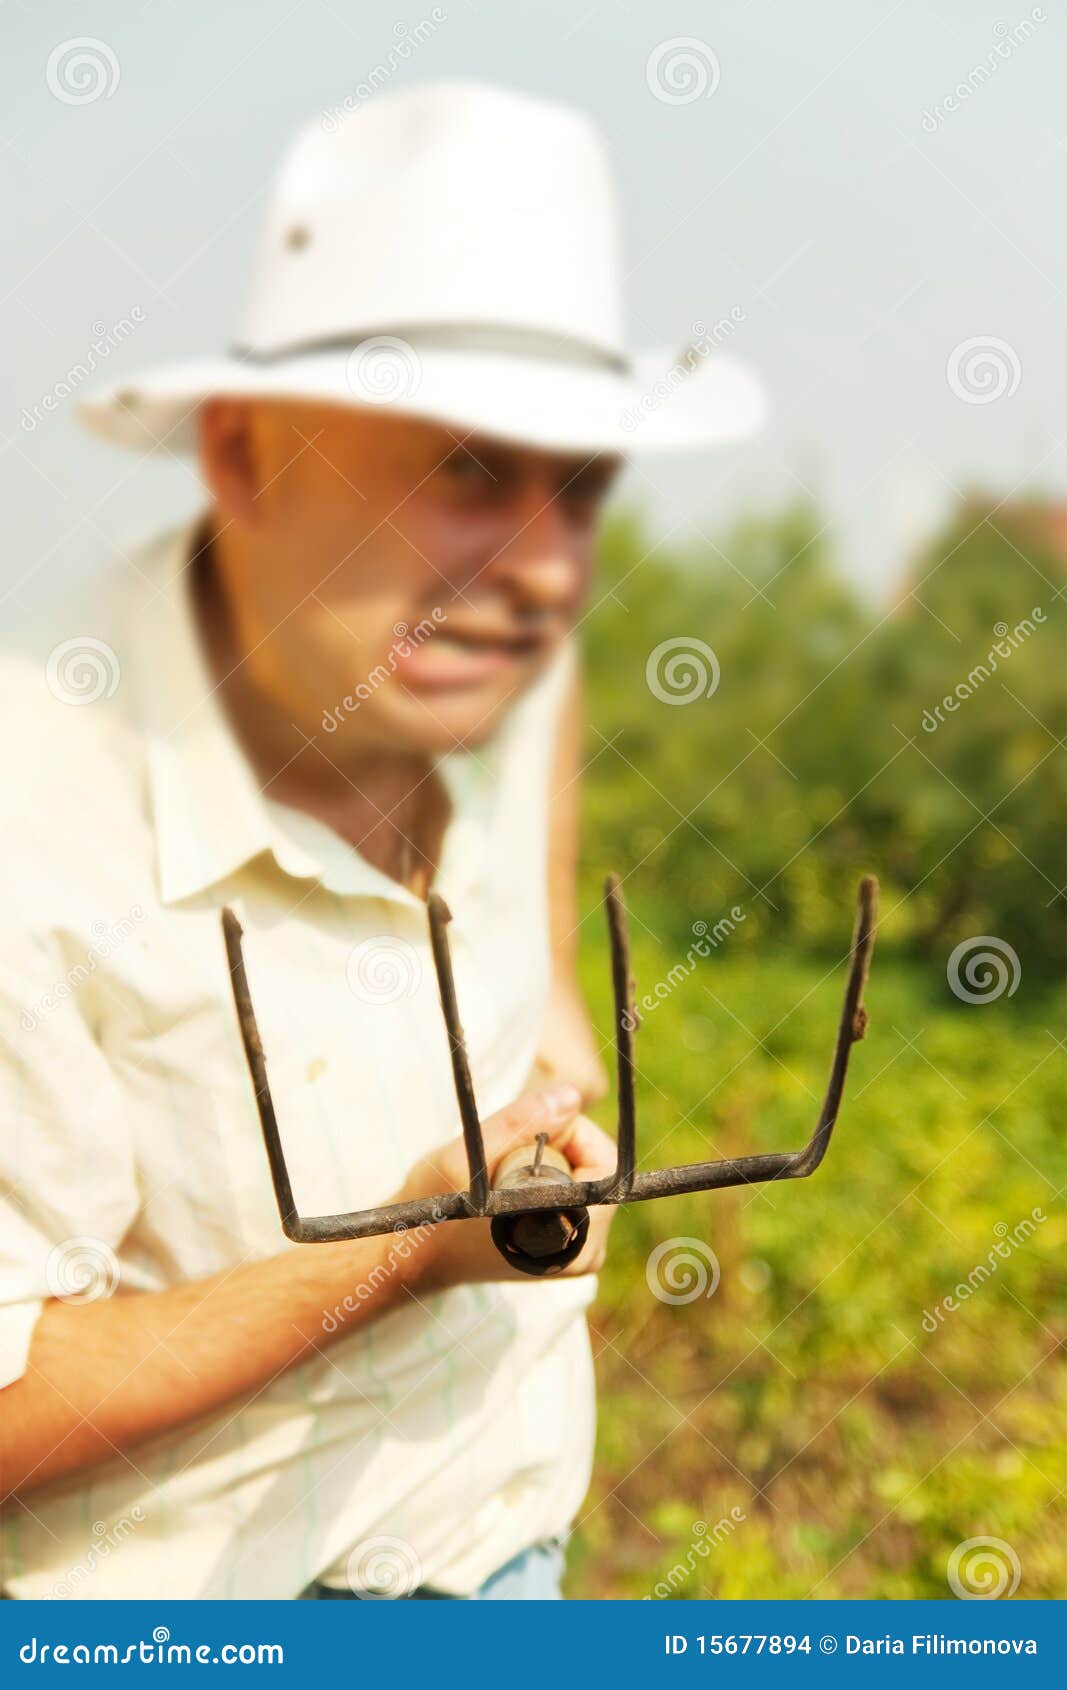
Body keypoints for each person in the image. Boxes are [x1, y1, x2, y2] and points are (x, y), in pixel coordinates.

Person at [0, 80, 763, 1600]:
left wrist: (554, 1011)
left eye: (579, 488)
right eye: (466, 467)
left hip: (511, 1563)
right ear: (243, 454)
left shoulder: (481, 662)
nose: (542, 574)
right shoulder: (36, 832)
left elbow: (544, 690)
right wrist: (408, 1251)